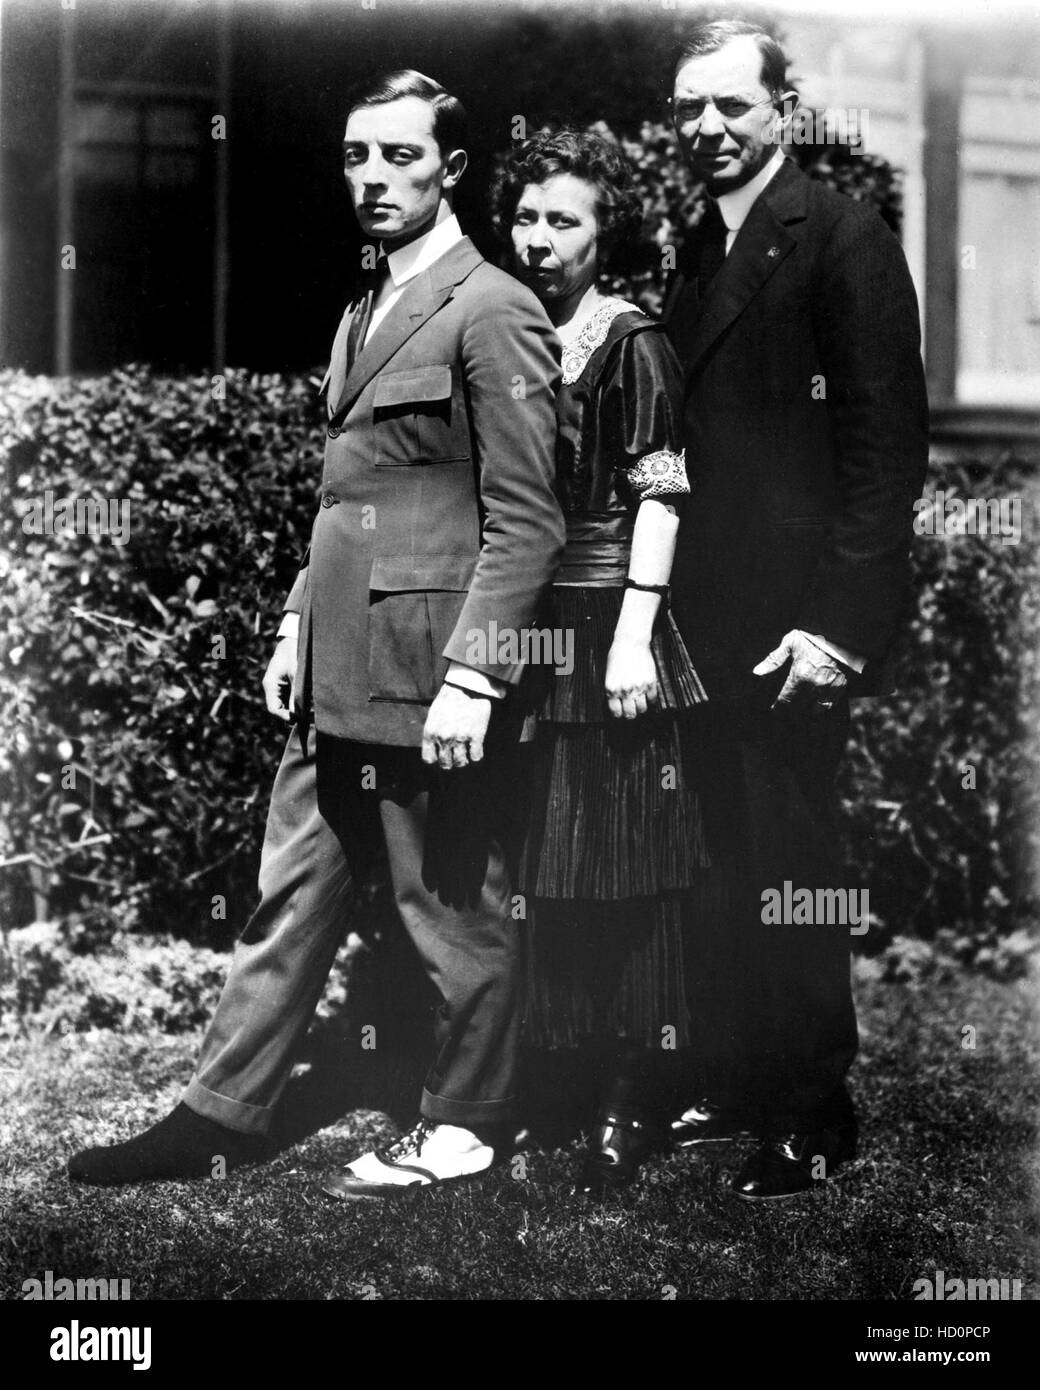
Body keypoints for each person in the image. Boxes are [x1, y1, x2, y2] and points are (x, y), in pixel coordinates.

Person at [68, 70, 565, 1199]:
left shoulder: (492, 307)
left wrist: (477, 678)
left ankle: (470, 1120)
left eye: (398, 155)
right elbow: (345, 499)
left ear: (452, 167)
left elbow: (527, 519)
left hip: (424, 669)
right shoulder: (364, 306)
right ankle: (216, 1113)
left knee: (448, 907)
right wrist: (295, 617)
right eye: (356, 156)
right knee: (287, 892)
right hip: (333, 663)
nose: (373, 177)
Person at [662, 20, 929, 1199]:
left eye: (731, 106)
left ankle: (811, 1109)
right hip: (697, 619)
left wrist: (836, 627)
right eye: (689, 109)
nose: (708, 129)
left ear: (783, 108)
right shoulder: (695, 238)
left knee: (785, 860)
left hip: (787, 630)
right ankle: (730, 1077)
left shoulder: (840, 236)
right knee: (715, 859)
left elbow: (885, 456)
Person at [493, 129, 709, 1197]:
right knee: (544, 862)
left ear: (601, 232)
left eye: (562, 219)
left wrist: (630, 637)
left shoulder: (631, 342)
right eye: (526, 218)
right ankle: (557, 1075)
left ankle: (634, 1093)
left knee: (624, 861)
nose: (539, 239)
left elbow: (658, 496)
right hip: (527, 627)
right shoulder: (508, 332)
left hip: (610, 622)